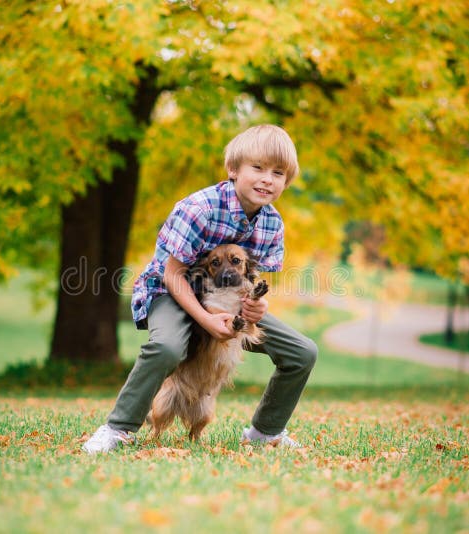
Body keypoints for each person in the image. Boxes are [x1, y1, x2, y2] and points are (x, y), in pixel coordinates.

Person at [83, 124, 318, 454]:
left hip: (228, 299)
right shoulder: (200, 208)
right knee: (166, 347)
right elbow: (172, 274)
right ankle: (118, 428)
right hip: (171, 291)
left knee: (302, 352)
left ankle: (265, 432)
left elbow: (251, 281)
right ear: (233, 170)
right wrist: (207, 321)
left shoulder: (272, 223)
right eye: (258, 168)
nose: (267, 179)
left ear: (285, 182)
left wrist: (255, 307)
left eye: (278, 173)